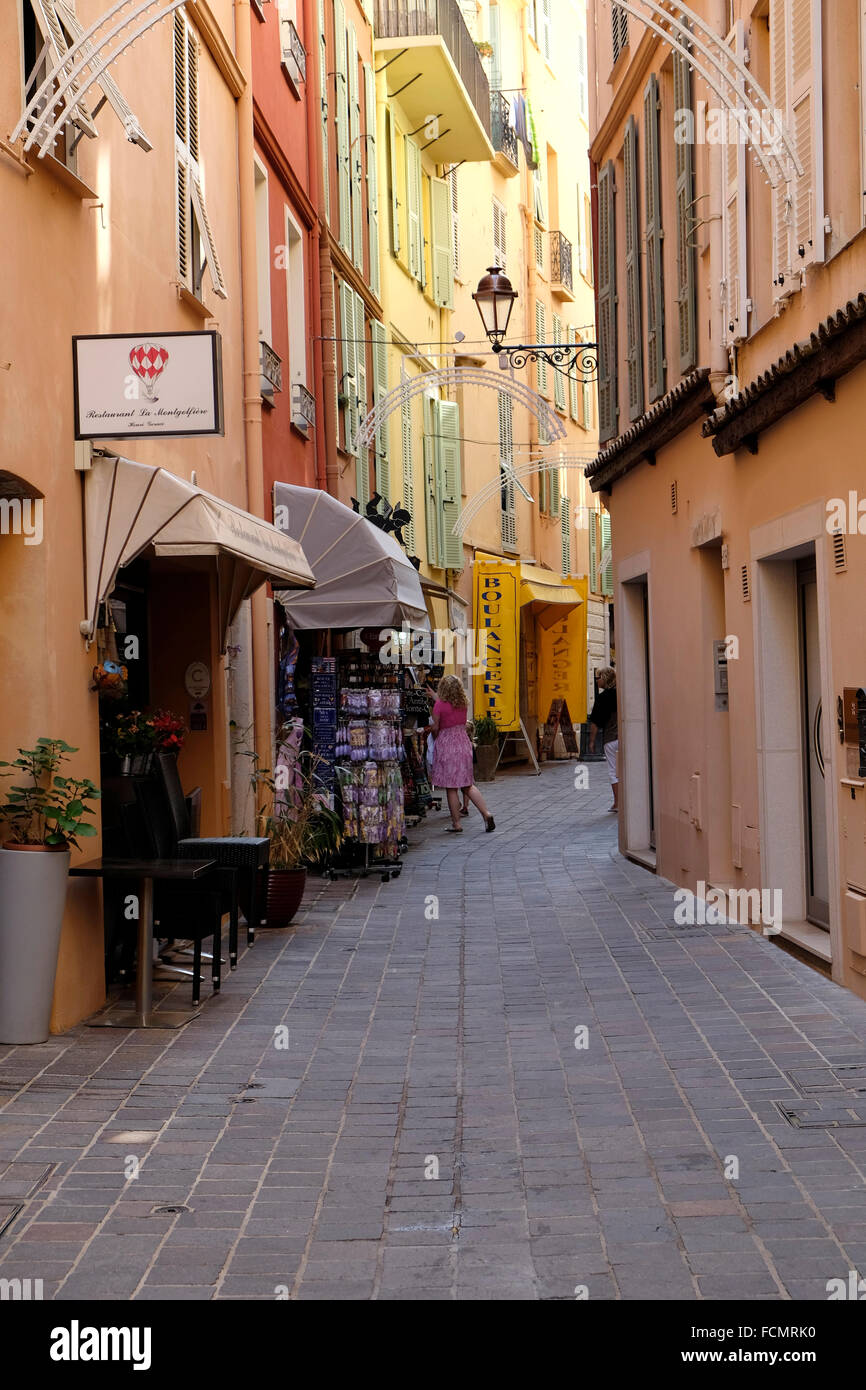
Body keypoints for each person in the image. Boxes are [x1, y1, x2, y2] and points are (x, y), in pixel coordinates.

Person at [428, 675, 495, 833]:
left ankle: (457, 824)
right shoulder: (463, 703)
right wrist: (434, 696)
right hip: (463, 743)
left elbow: (436, 726)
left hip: (447, 745)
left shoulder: (439, 706)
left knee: (451, 787)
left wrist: (434, 736)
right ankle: (486, 813)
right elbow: (449, 706)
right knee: (467, 784)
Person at [588, 666, 618, 813]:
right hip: (626, 738)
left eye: (598, 677)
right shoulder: (621, 693)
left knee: (613, 771)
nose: (596, 680)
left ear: (605, 678)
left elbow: (595, 722)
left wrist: (592, 741)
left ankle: (617, 802)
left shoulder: (602, 698)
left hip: (611, 738)